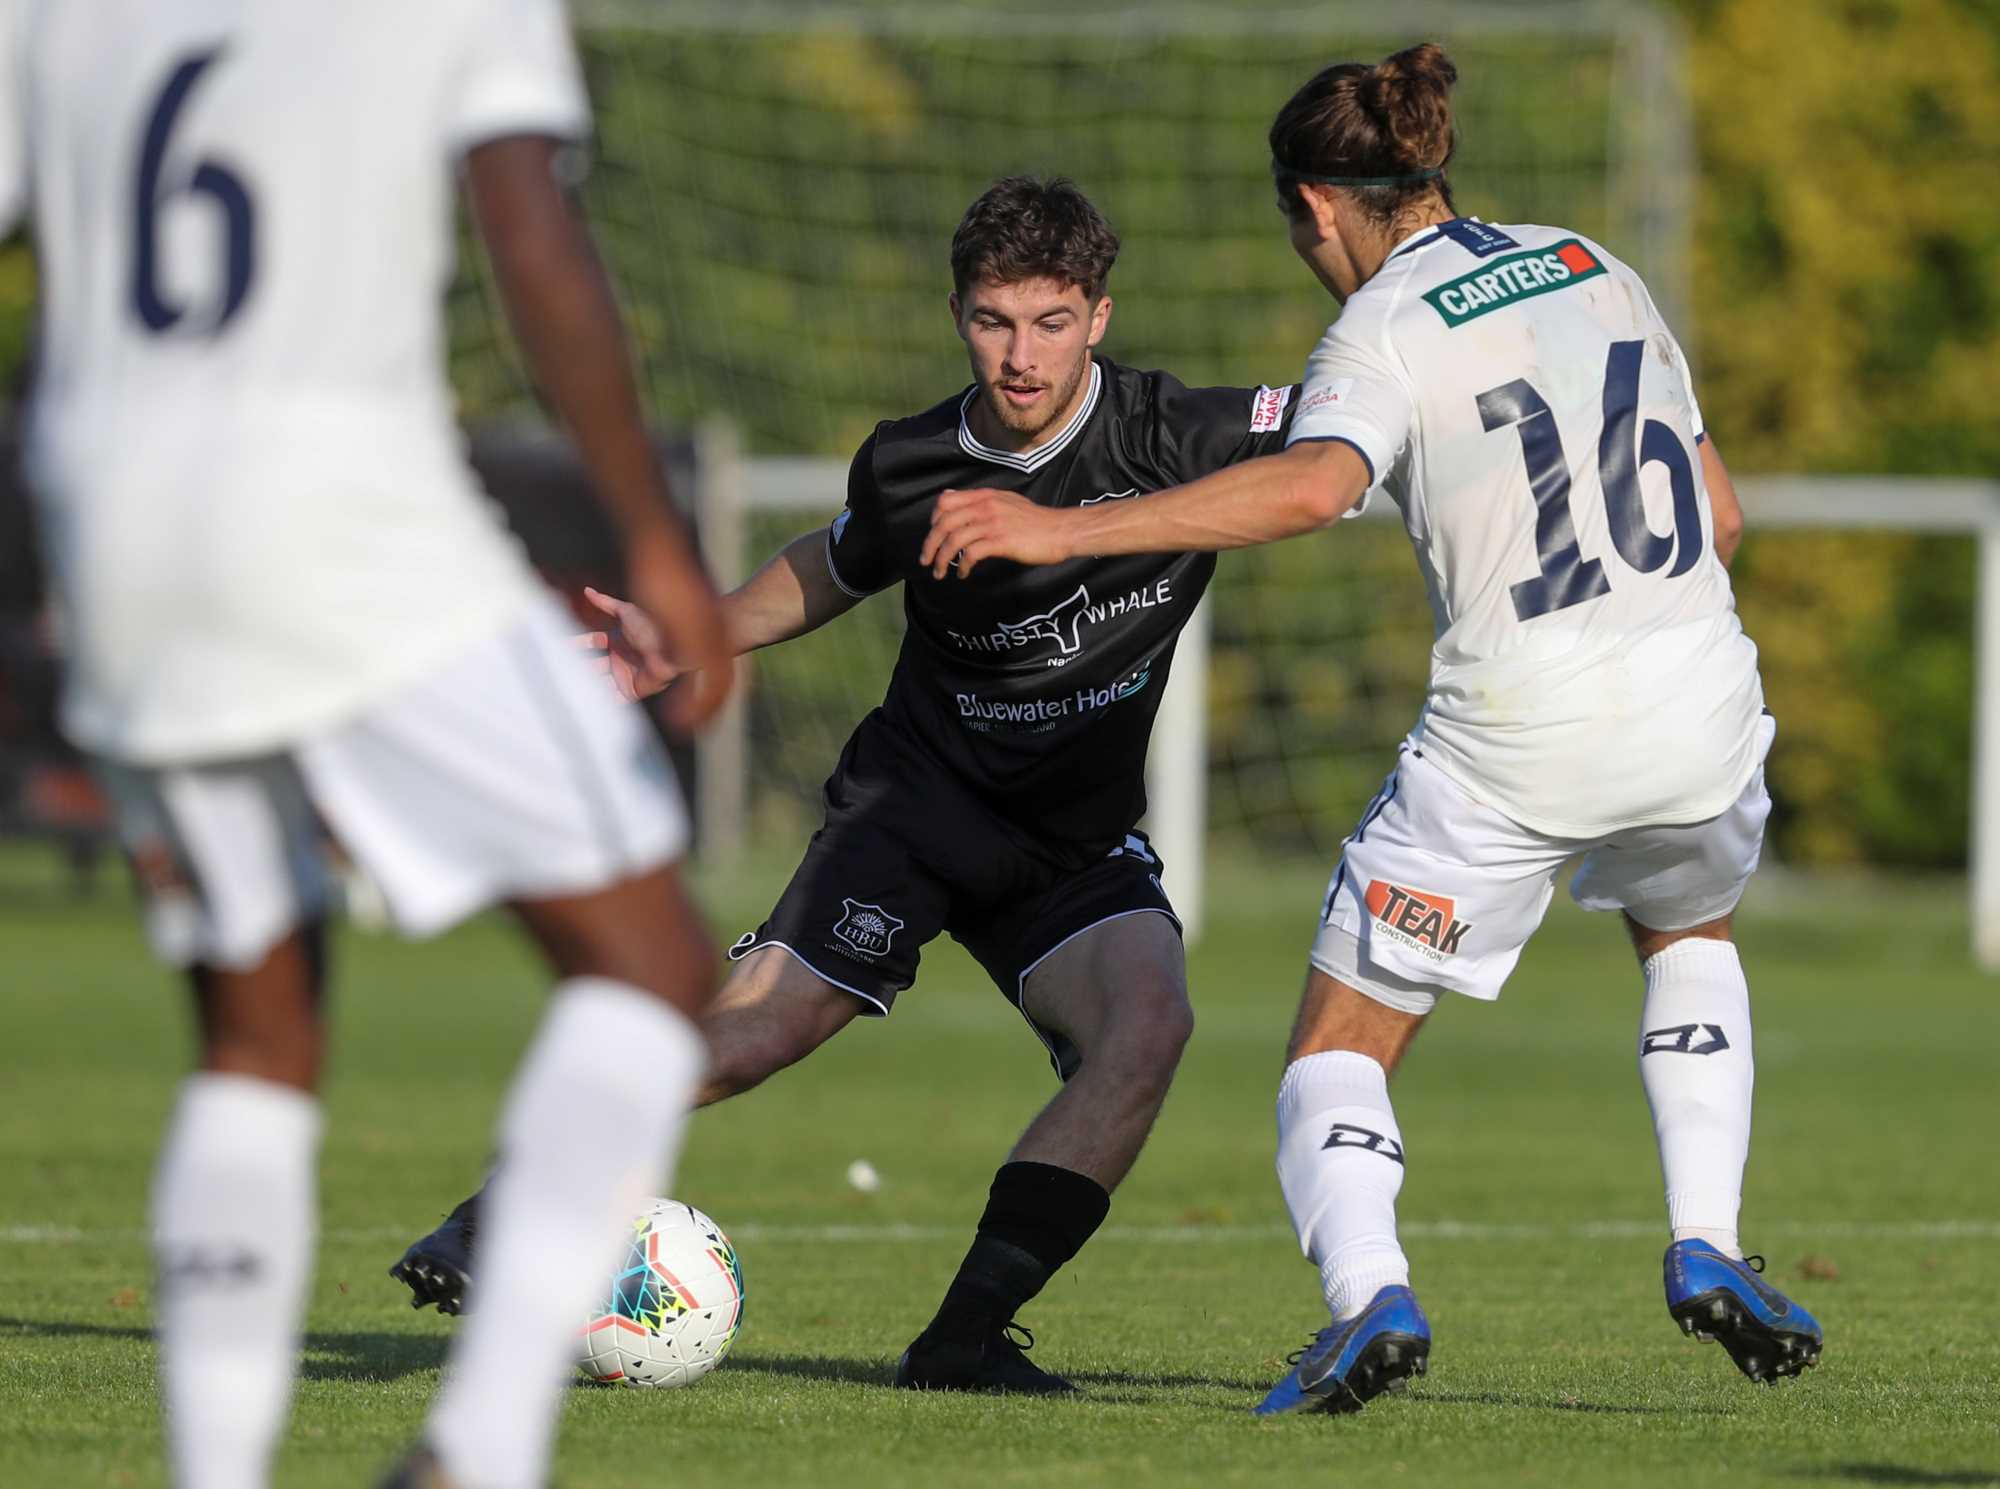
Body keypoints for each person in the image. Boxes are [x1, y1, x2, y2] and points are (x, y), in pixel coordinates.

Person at [922, 44, 1825, 1415]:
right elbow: (1727, 515)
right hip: (1703, 695)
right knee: (1687, 936)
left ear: (1317, 205)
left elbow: (1306, 490)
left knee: (1336, 1048)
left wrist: (1060, 524)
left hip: (1518, 731)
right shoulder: (1595, 266)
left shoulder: (1385, 326)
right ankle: (1706, 1240)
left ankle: (1371, 1299)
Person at [390, 174, 1299, 1393]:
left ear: (1099, 315)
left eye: (1048, 321)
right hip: (914, 809)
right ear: (957, 315)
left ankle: (963, 1338)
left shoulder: (1177, 433)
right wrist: (691, 633)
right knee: (755, 1033)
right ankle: (502, 1207)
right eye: (990, 320)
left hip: (1070, 839)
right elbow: (831, 563)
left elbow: (1352, 435)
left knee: (1147, 1024)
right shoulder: (917, 460)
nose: (1018, 355)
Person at [0, 3, 732, 1486]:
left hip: (112, 512)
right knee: (654, 962)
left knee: (253, 1030)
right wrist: (653, 537)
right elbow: (531, 236)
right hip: (341, 507)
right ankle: (480, 1447)